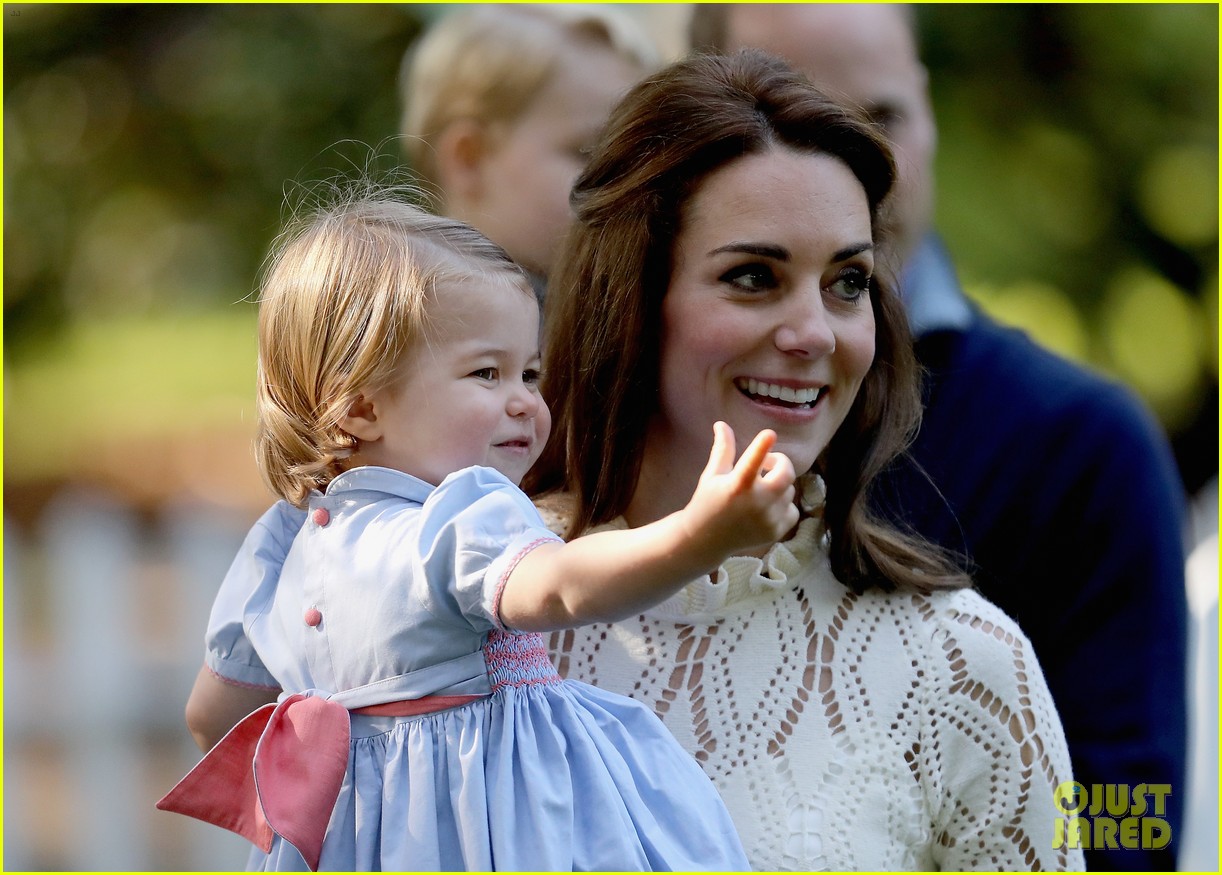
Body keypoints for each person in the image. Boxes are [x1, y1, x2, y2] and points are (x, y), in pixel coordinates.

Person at [527, 48, 1085, 871]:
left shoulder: (967, 663)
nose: (815, 333)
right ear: (631, 298)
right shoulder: (461, 600)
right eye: (754, 276)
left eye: (848, 282)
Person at [687, 6, 1189, 870]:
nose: (850, 165)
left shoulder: (1078, 443)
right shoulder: (552, 452)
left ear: (929, 115)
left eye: (880, 118)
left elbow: (1129, 822)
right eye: (795, 114)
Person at [157, 194, 794, 870]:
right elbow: (563, 585)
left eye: (530, 371)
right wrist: (698, 536)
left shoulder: (283, 539)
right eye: (487, 372)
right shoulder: (461, 512)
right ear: (363, 405)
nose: (525, 399)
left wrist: (354, 772)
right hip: (499, 833)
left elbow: (212, 715)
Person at [398, 3, 657, 299]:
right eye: (588, 153)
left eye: (637, 156)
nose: (630, 183)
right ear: (467, 160)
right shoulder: (425, 329)